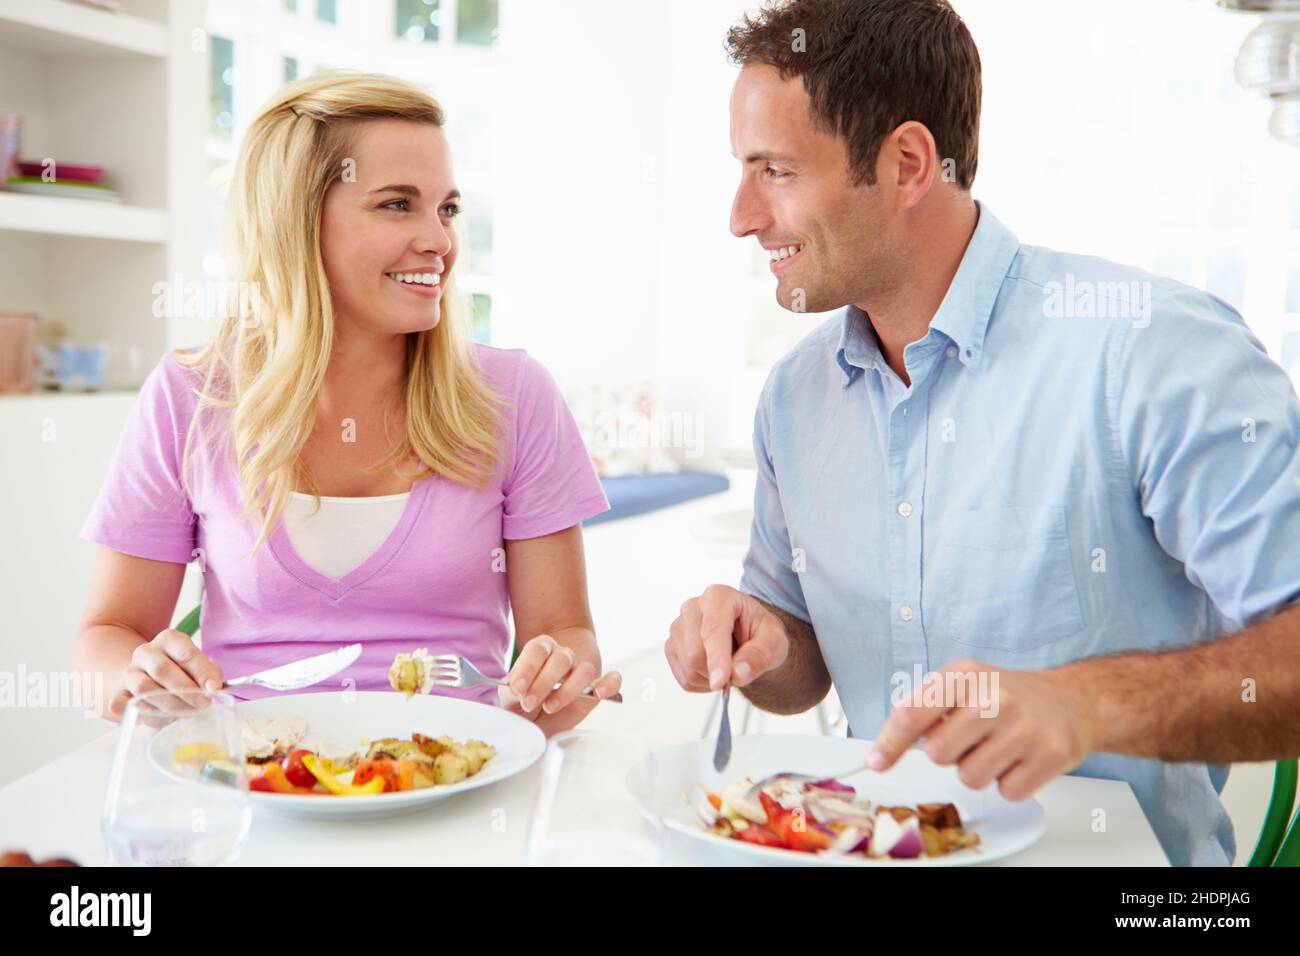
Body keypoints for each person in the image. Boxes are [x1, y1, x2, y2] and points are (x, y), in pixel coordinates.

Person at [664, 0, 1300, 866]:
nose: (740, 216)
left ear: (908, 163)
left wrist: (1090, 704)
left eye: (774, 170)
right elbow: (801, 662)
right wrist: (759, 637)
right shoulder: (794, 398)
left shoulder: (1152, 353)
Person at [75, 72, 621, 736]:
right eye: (398, 205)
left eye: (447, 208)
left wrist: (559, 680)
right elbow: (109, 636)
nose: (441, 242)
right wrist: (136, 677)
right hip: (252, 791)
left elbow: (567, 636)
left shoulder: (514, 395)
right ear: (295, 220)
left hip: (455, 780)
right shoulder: (191, 397)